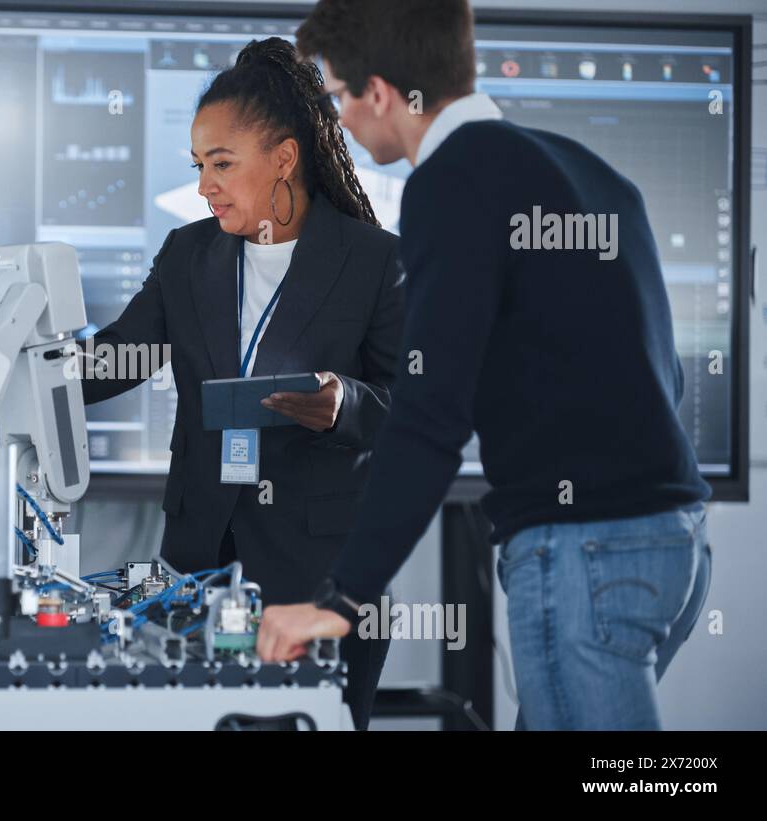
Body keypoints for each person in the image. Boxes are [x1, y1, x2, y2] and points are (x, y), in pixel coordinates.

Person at [257, 0, 713, 731]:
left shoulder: (451, 183)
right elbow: (665, 371)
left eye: (339, 95)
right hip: (673, 543)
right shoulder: (587, 172)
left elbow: (430, 415)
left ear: (380, 93)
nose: (337, 118)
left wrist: (342, 598)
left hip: (584, 553)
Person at [81, 38, 404, 729]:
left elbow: (413, 408)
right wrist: (20, 365)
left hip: (319, 578)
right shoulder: (187, 253)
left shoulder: (374, 260)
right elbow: (118, 359)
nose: (205, 186)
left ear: (283, 158)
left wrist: (340, 404)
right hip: (194, 570)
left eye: (222, 164)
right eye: (199, 165)